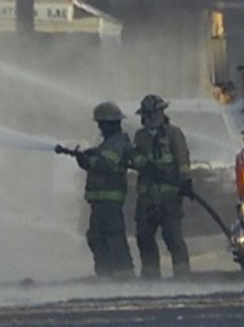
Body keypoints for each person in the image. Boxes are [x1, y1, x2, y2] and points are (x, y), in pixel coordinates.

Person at [130, 94, 192, 280]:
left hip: (169, 197)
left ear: (161, 113)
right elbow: (135, 157)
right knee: (144, 237)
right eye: (146, 115)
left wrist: (186, 181)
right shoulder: (139, 136)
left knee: (172, 237)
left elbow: (182, 159)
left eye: (152, 114)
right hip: (147, 197)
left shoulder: (174, 134)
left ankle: (182, 276)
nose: (149, 118)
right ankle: (150, 276)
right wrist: (143, 164)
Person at [74, 101, 135, 280]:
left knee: (115, 238)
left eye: (101, 123)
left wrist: (87, 162)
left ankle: (125, 277)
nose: (100, 127)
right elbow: (103, 156)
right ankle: (106, 275)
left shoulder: (116, 143)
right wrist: (91, 153)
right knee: (96, 238)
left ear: (110, 123)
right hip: (100, 202)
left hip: (110, 201)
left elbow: (107, 164)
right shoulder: (108, 143)